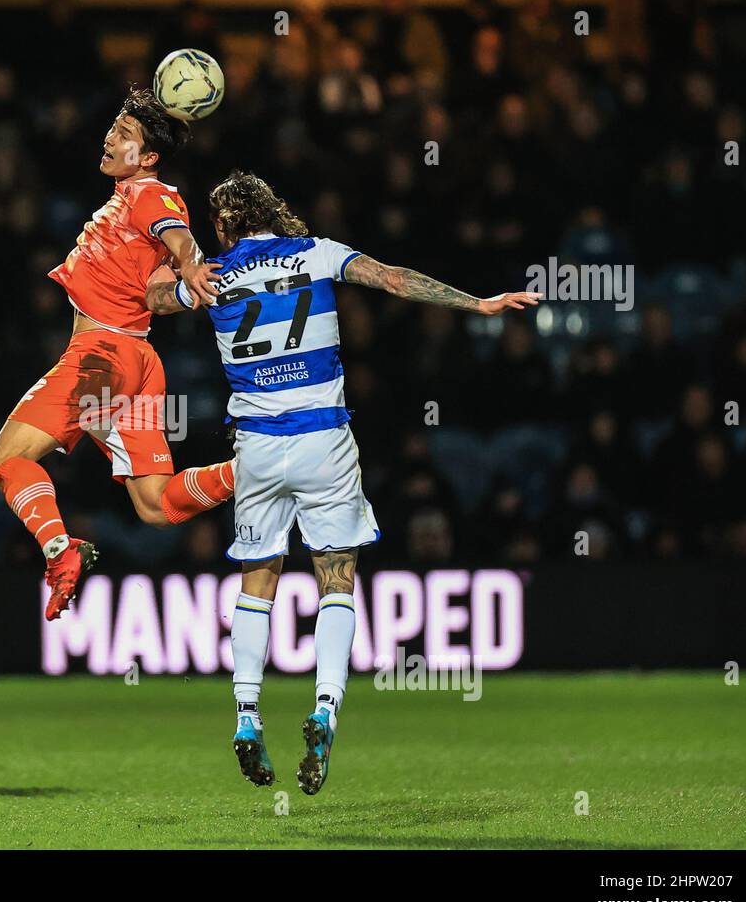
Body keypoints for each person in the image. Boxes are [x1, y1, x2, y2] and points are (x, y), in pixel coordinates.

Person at [149, 171, 537, 794]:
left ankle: (247, 716)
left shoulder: (212, 277)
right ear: (273, 211)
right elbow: (393, 279)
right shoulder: (319, 254)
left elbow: (152, 298)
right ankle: (325, 706)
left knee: (259, 582)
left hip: (256, 448)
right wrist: (476, 303)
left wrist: (176, 253)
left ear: (222, 226)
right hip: (324, 441)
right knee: (336, 576)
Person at [0, 89, 234, 621]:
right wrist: (187, 288)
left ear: (147, 158)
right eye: (113, 127)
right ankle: (252, 470)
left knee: (5, 461)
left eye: (124, 134)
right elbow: (156, 297)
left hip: (102, 357)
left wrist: (191, 261)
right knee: (157, 507)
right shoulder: (129, 204)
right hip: (138, 361)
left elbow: (180, 236)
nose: (110, 137)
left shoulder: (149, 194)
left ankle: (58, 549)